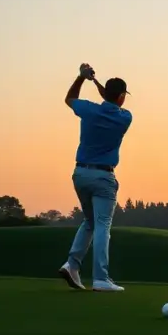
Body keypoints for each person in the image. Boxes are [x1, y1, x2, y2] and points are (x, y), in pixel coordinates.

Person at [57, 63, 133, 292]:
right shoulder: (125, 117)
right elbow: (110, 101)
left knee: (90, 222)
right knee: (102, 226)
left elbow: (69, 99)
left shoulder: (89, 110)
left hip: (80, 174)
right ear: (121, 97)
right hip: (103, 177)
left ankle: (71, 265)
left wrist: (82, 78)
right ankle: (101, 278)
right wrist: (95, 82)